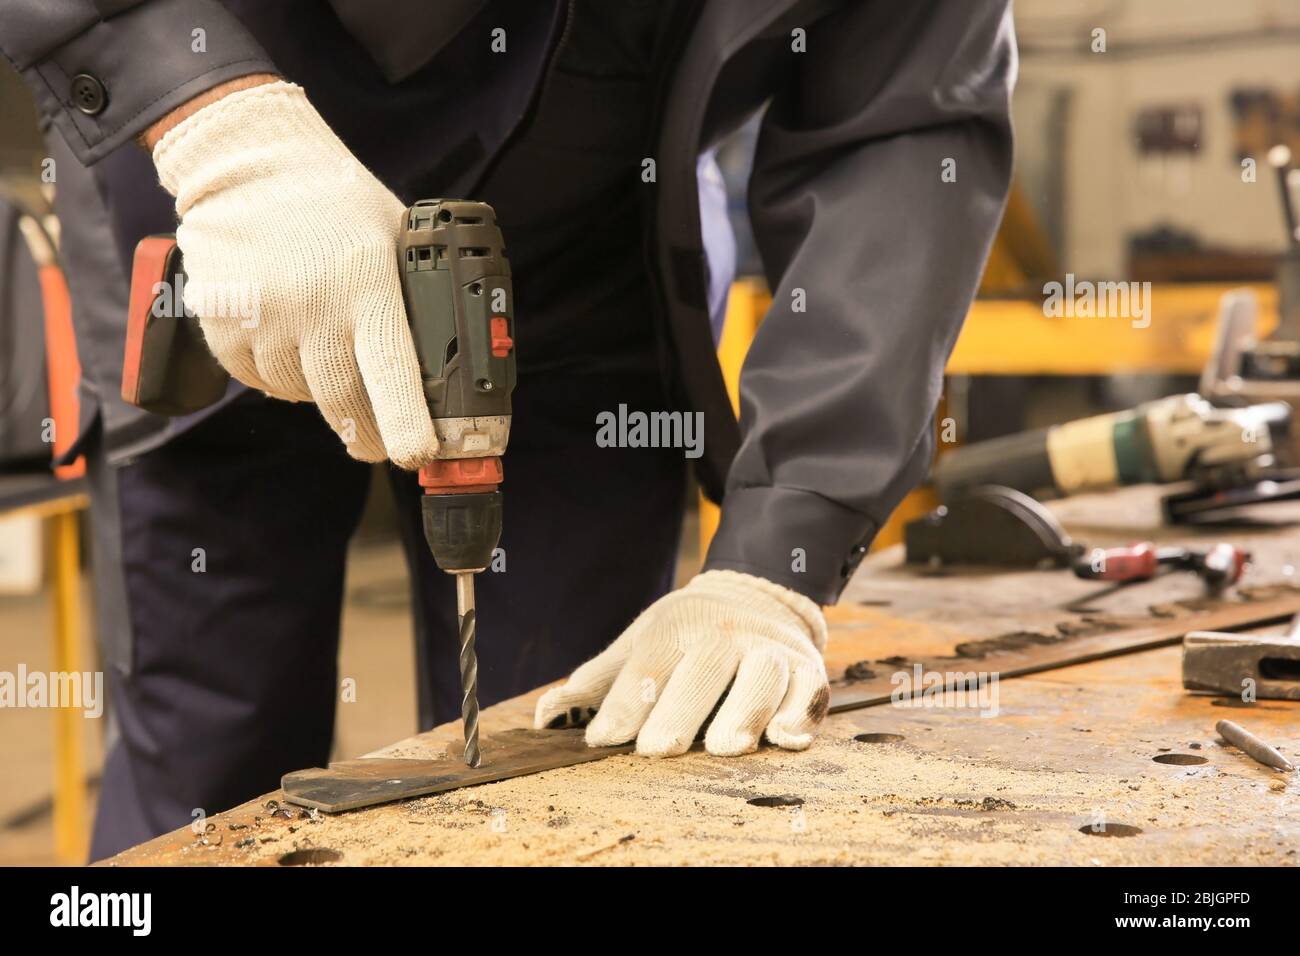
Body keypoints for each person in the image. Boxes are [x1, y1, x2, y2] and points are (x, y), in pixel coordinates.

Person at [2, 0, 1015, 859]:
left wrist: (778, 548)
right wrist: (208, 118)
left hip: (581, 259)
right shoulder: (219, 157)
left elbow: (901, 125)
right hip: (226, 217)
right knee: (211, 757)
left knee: (570, 752)